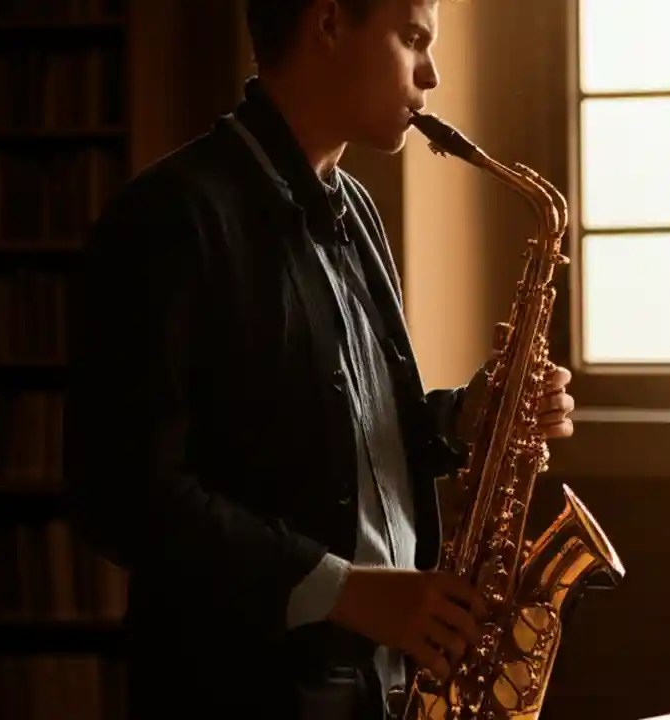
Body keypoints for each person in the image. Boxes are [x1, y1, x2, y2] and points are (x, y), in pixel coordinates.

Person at [61, 0, 577, 718]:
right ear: (329, 23)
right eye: (414, 39)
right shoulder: (168, 216)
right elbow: (120, 496)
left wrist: (467, 418)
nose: (432, 74)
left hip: (381, 683)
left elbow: (340, 441)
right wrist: (345, 589)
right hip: (242, 692)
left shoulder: (356, 208)